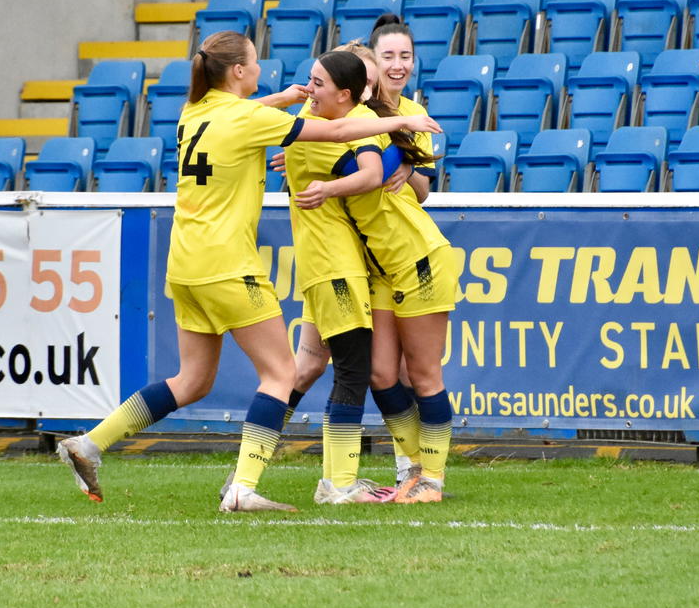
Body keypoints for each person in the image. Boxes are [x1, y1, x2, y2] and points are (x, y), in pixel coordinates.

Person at [56, 30, 442, 512]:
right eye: (256, 63)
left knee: (192, 380)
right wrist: (406, 121)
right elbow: (340, 131)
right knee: (282, 371)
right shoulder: (250, 119)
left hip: (184, 262)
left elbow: (258, 111)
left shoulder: (194, 112)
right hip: (228, 262)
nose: (263, 71)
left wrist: (284, 98)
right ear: (238, 71)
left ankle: (89, 443)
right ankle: (248, 488)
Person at [295, 15, 457, 503]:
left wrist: (398, 158)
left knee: (424, 376)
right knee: (383, 374)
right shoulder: (346, 127)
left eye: (400, 57)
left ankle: (431, 479)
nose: (390, 69)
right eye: (382, 60)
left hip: (419, 257)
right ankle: (411, 469)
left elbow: (377, 172)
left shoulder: (369, 125)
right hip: (381, 268)